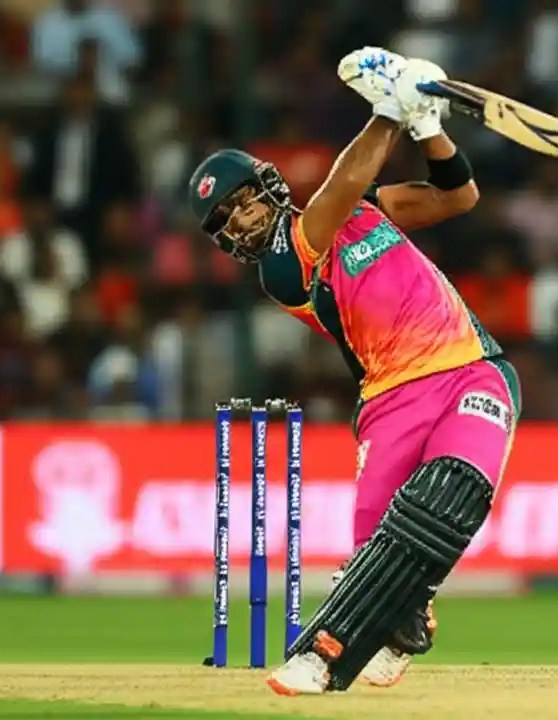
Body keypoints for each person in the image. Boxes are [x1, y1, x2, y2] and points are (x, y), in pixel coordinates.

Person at [188, 50, 520, 695]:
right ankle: (403, 619)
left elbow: (459, 195)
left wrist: (426, 126)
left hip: (471, 369)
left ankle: (322, 656)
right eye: (225, 222)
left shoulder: (368, 207)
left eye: (241, 205)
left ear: (267, 189)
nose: (241, 222)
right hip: (391, 400)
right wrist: (388, 111)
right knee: (380, 554)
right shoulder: (282, 268)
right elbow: (338, 190)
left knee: (451, 493)